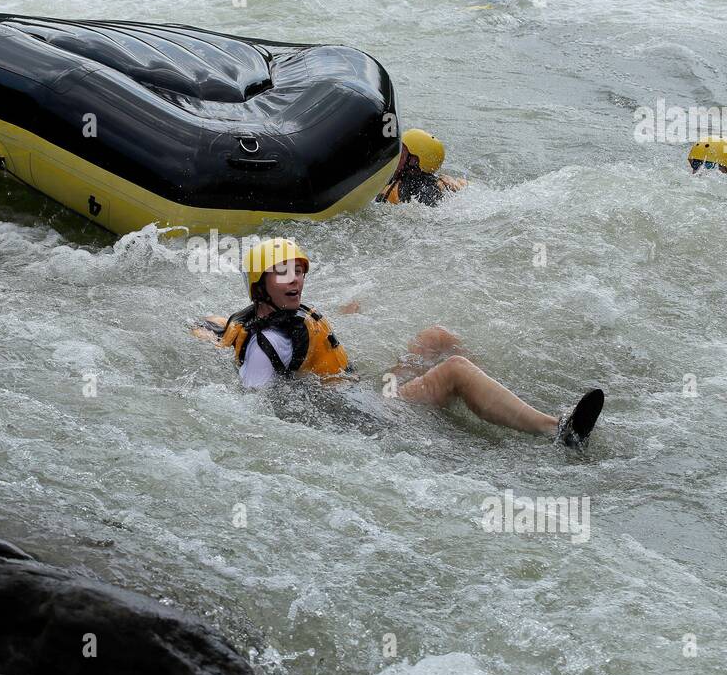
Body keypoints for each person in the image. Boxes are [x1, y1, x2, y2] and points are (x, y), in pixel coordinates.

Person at [193, 237, 605, 449]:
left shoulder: (261, 318)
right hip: (368, 415)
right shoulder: (270, 345)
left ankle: (500, 402)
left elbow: (229, 331)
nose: (296, 279)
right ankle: (557, 431)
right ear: (260, 285)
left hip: (362, 392)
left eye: (298, 271)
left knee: (438, 336)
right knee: (455, 370)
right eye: (283, 273)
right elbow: (252, 403)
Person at [377, 128, 466, 205]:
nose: (394, 155)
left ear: (413, 161)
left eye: (401, 152)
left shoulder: (420, 191)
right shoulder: (439, 181)